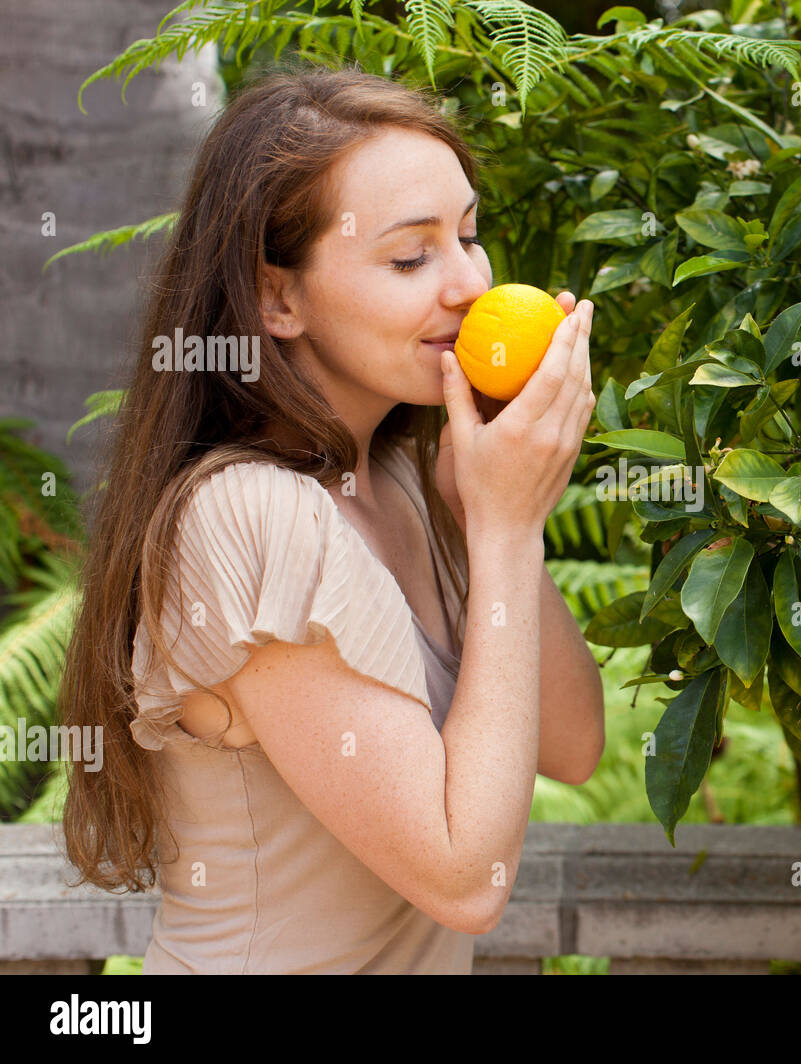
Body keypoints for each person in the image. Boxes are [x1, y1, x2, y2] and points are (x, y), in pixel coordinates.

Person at [59, 66, 605, 974]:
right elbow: (468, 881)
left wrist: (491, 515)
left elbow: (574, 744)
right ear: (278, 298)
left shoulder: (403, 480)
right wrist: (507, 533)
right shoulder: (245, 517)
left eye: (470, 236)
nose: (470, 283)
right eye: (410, 257)